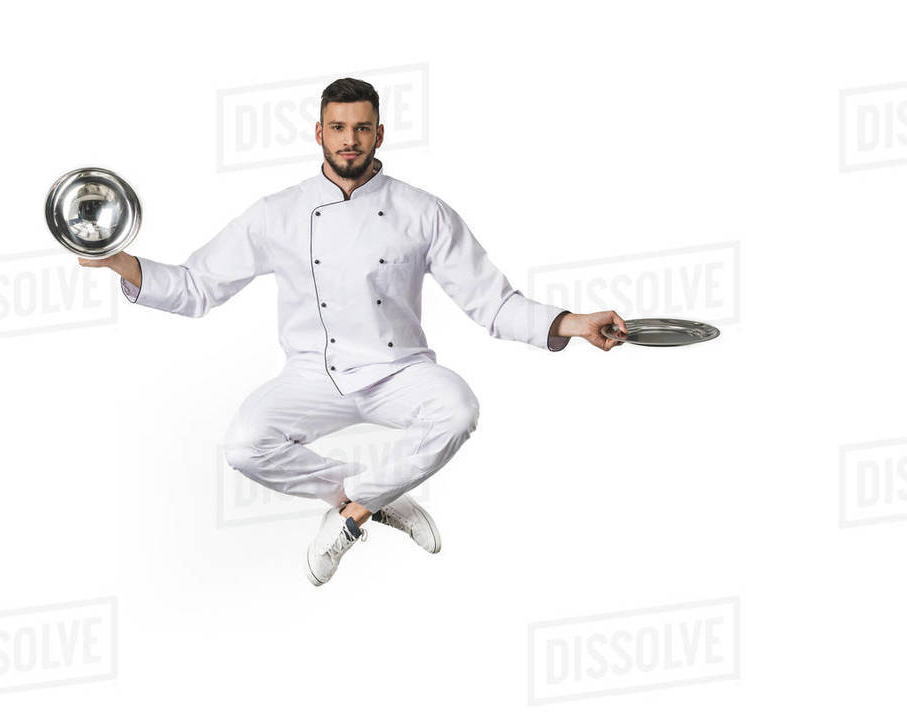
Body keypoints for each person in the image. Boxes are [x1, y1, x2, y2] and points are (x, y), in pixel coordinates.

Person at [79, 77, 626, 586]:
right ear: (319, 132)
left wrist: (572, 324)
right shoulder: (277, 214)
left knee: (458, 410)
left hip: (399, 370)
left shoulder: (421, 211)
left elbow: (493, 302)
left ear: (379, 133)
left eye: (361, 128)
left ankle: (355, 510)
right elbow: (198, 286)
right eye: (338, 128)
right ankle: (382, 495)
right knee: (245, 445)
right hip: (312, 373)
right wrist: (118, 261)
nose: (349, 140)